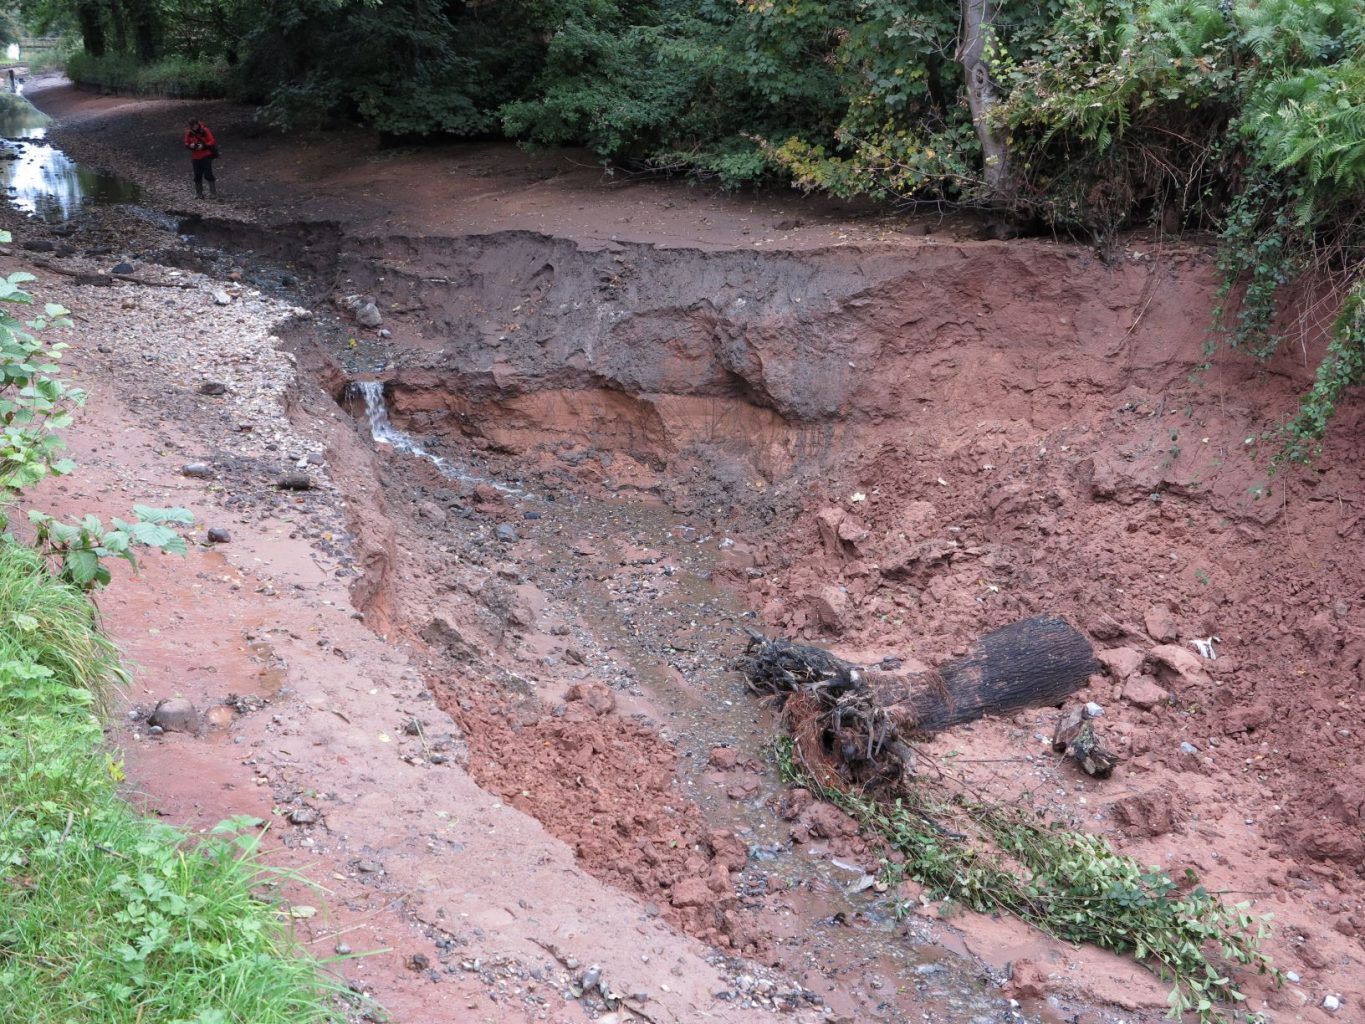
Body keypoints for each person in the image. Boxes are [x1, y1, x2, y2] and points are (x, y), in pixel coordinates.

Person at [184, 118, 217, 199]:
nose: (194, 127)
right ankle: (199, 194)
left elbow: (212, 141)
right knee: (197, 176)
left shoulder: (205, 130)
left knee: (208, 174)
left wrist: (204, 145)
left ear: (198, 124)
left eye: (195, 125)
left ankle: (213, 193)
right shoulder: (188, 133)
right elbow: (186, 142)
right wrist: (190, 146)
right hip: (195, 157)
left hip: (206, 155)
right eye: (192, 125)